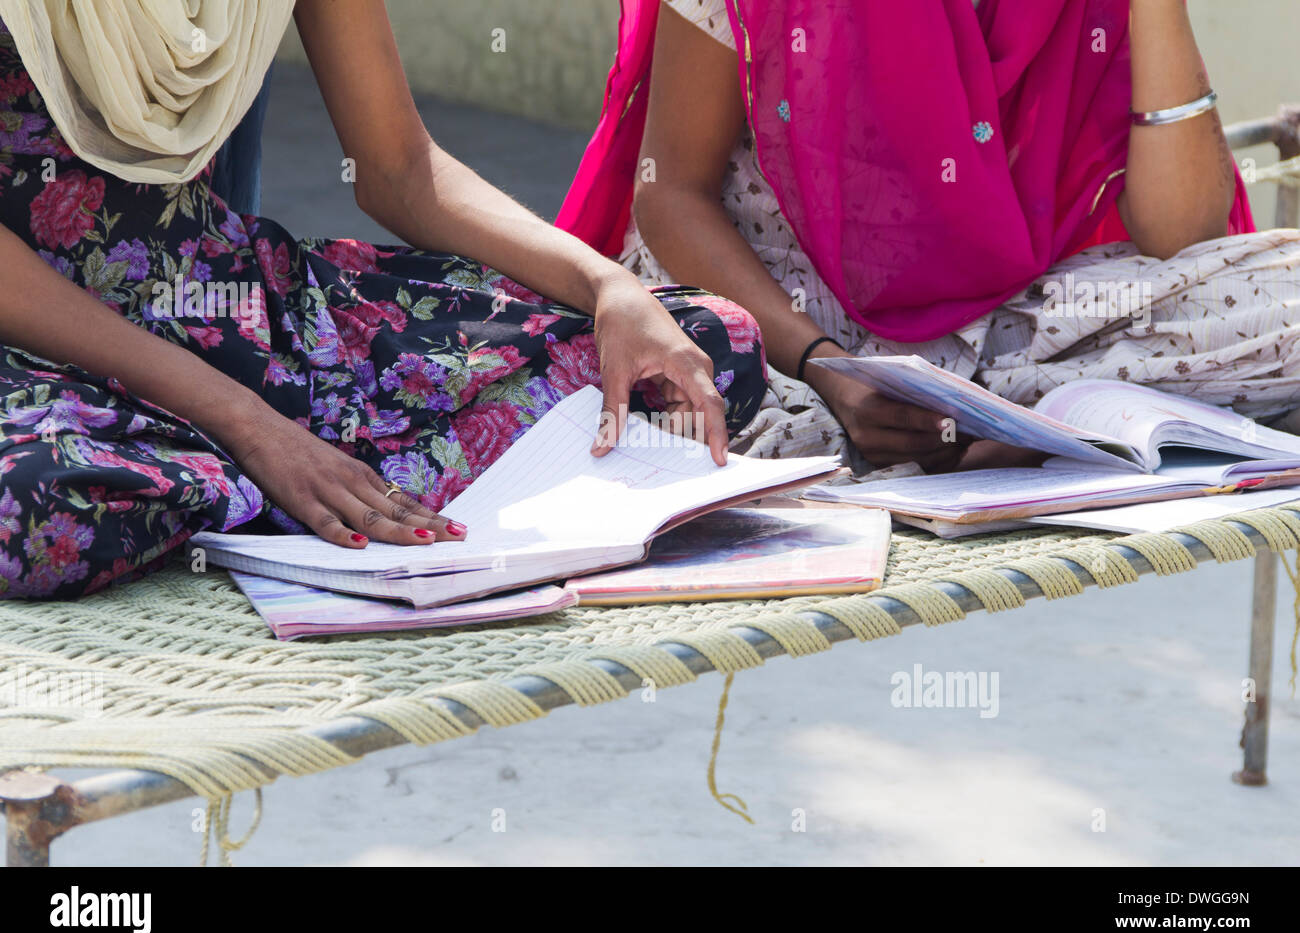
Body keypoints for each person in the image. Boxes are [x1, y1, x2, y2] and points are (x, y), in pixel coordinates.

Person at [0, 0, 767, 599]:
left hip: (236, 308)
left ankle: (252, 495)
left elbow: (398, 167)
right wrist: (248, 426)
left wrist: (608, 287)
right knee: (35, 511)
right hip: (37, 343)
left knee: (700, 345)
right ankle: (299, 482)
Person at [559, 0, 1300, 472]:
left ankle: (994, 424)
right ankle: (997, 426)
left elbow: (1185, 234)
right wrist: (829, 369)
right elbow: (671, 192)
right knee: (724, 415)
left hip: (1003, 313)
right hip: (782, 319)